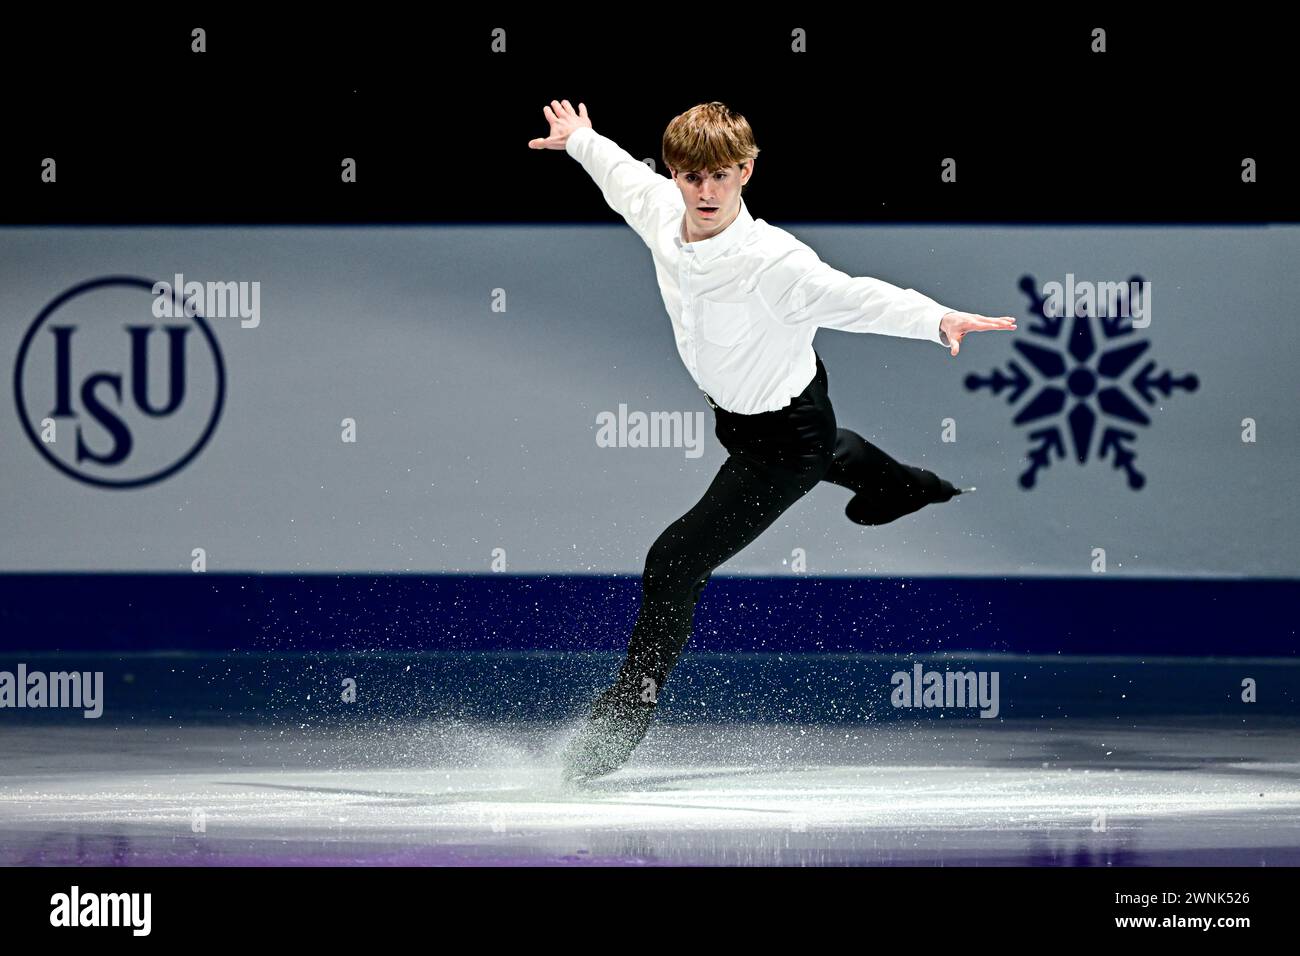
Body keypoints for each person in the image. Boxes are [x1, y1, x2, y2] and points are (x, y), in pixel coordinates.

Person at [528, 100, 1016, 781]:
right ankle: (907, 487)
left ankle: (625, 716)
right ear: (674, 174)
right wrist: (579, 138)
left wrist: (938, 319)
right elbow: (618, 176)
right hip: (760, 416)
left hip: (783, 439)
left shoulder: (773, 262)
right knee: (835, 451)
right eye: (691, 176)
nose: (705, 191)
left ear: (746, 172)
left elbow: (857, 296)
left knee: (674, 560)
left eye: (721, 176)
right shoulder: (663, 218)